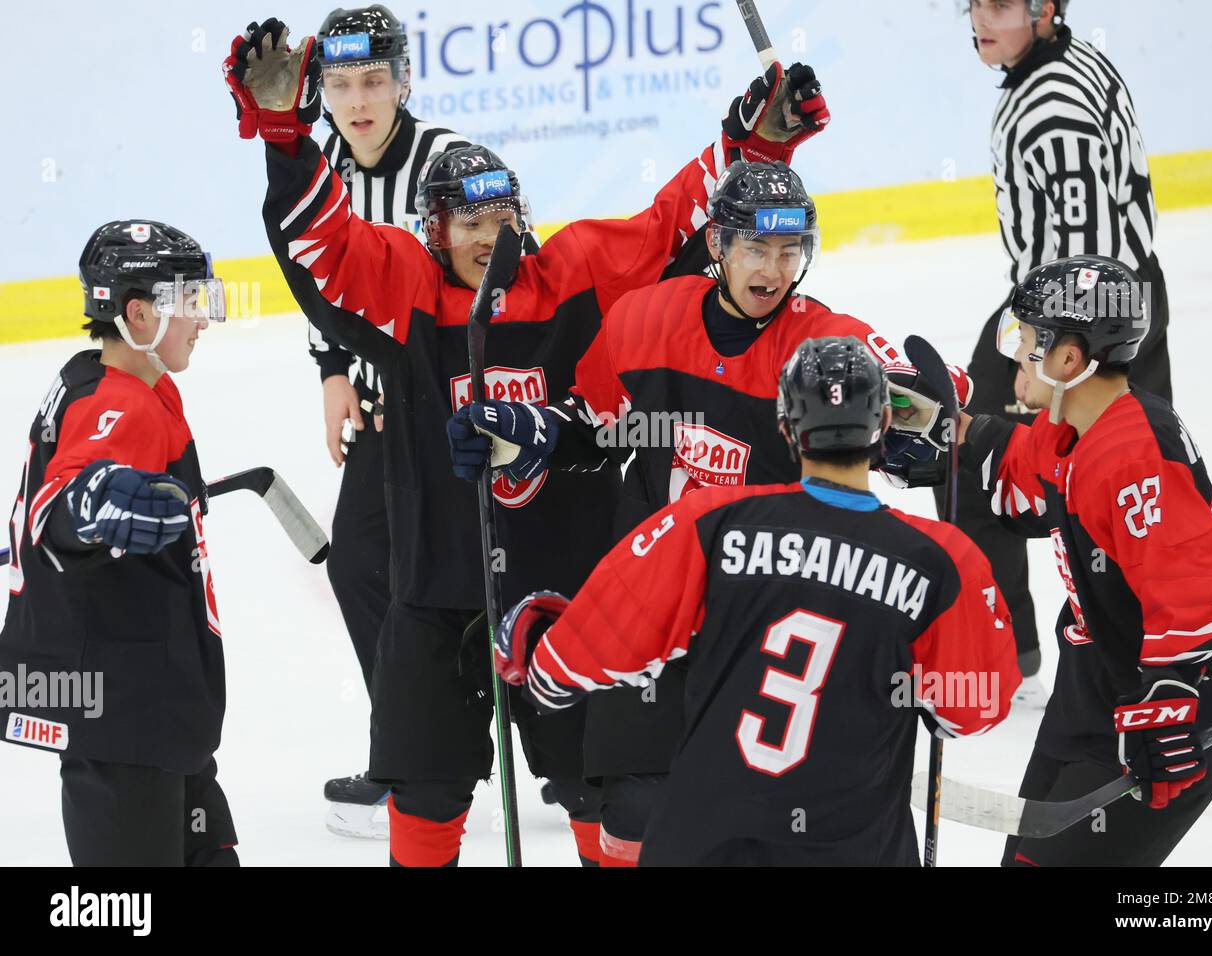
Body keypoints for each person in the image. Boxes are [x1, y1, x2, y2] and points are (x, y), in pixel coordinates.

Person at [222, 16, 830, 865]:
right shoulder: (404, 284)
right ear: (432, 230)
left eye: (499, 216)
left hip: (570, 599)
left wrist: (756, 150)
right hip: (438, 595)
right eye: (463, 222)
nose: (484, 236)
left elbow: (672, 231)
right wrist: (287, 137)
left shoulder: (573, 270)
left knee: (598, 785)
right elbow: (324, 250)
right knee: (427, 791)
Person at [449, 160, 971, 865]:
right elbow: (596, 422)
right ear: (718, 247)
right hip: (654, 608)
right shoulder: (646, 317)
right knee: (632, 814)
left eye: (790, 251)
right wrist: (532, 431)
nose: (775, 268)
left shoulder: (822, 342)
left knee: (758, 821)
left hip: (765, 619)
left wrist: (926, 424)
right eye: (756, 248)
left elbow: (904, 402)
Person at [491, 336, 1018, 865]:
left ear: (786, 428)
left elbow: (563, 669)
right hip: (859, 846)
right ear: (882, 428)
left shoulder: (707, 522)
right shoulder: (941, 557)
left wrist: (542, 643)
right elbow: (975, 711)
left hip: (707, 843)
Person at [958, 254, 1212, 866]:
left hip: (1171, 708)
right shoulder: (1073, 423)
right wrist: (942, 430)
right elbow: (1021, 473)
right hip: (1094, 685)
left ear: (1072, 359)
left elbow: (1194, 593)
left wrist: (1169, 706)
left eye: (1032, 339)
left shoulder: (1133, 454)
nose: (1017, 353)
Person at [0, 220, 235, 866]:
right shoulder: (120, 405)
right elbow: (65, 502)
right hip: (122, 721)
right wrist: (92, 505)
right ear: (137, 313)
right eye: (189, 302)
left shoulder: (111, 381)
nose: (202, 319)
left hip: (154, 711)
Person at [960, 0, 1172, 701]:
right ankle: (1142, 641)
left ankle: (1013, 650)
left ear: (1044, 10)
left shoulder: (1054, 107)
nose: (978, 18)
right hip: (1104, 309)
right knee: (1136, 481)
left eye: (998, 5)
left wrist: (1044, 357)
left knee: (974, 455)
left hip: (1088, 326)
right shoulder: (1063, 66)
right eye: (974, 3)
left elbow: (1088, 264)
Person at [305, 3, 475, 842]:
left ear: (405, 80)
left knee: (469, 578)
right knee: (364, 566)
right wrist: (333, 371)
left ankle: (548, 740)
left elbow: (506, 268)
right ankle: (415, 743)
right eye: (339, 83)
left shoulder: (447, 162)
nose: (358, 100)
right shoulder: (324, 164)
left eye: (374, 80)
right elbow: (314, 276)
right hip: (381, 410)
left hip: (457, 412)